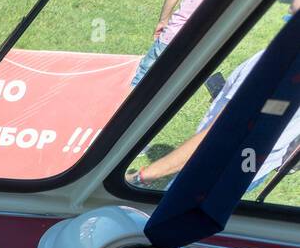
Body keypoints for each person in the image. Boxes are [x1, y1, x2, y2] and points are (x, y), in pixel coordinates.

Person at [128, 46, 300, 193]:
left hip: (213, 170)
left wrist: (142, 177)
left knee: (161, 226)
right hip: (256, 169)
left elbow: (220, 137)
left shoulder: (276, 62)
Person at [131, 0, 212, 86]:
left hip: (175, 33)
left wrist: (163, 21)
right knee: (172, 85)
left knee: (142, 77)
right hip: (201, 42)